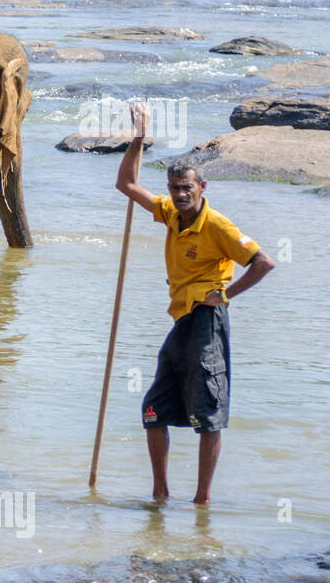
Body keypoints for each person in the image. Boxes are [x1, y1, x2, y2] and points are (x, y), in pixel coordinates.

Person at [115, 103, 274, 505]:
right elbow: (127, 185)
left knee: (207, 416)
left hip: (207, 321)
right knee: (153, 409)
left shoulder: (218, 225)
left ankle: (201, 500)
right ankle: (160, 493)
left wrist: (226, 295)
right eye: (174, 188)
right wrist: (139, 135)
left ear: (202, 187)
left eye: (187, 187)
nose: (180, 195)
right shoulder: (170, 214)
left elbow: (263, 262)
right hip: (181, 321)